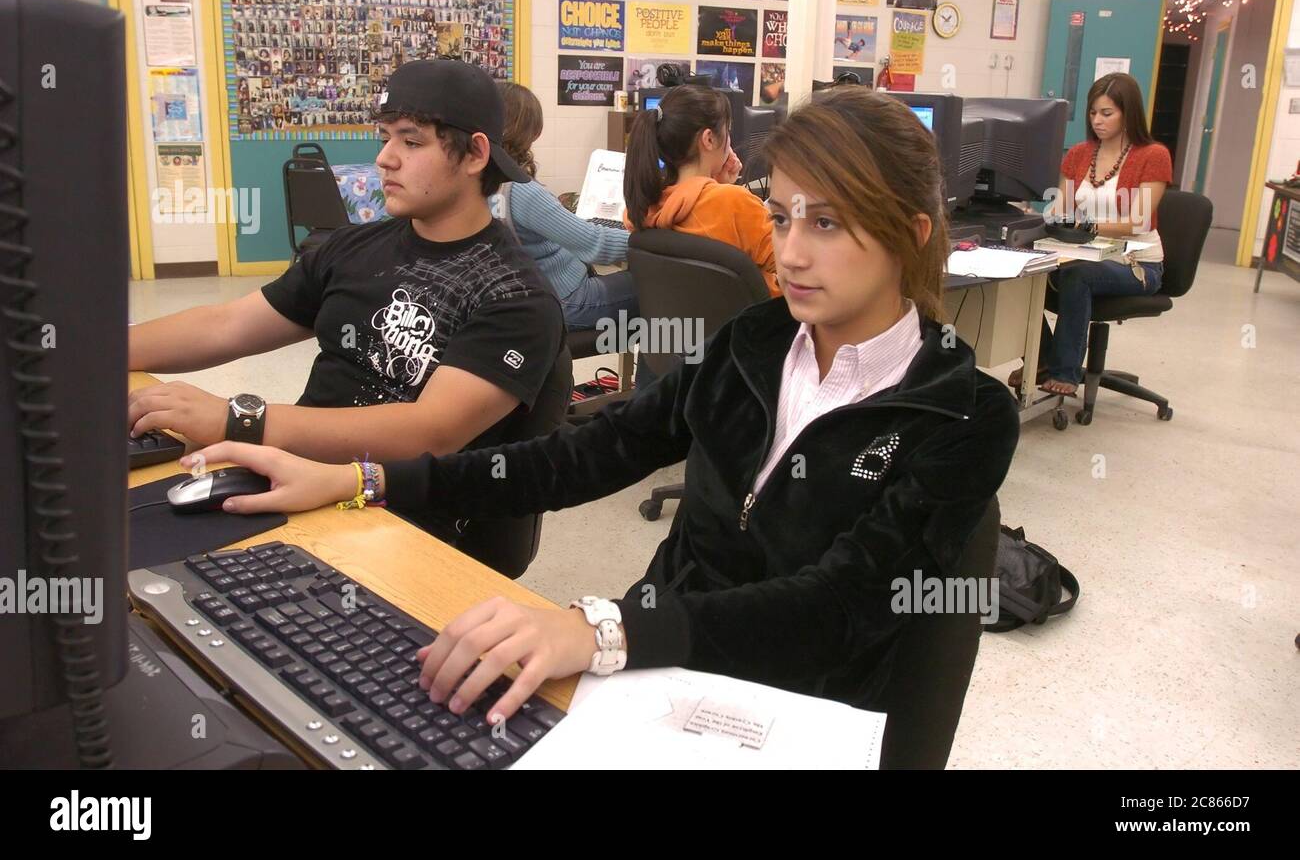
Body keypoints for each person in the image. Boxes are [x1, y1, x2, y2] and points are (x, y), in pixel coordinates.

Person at [181, 88, 1020, 730]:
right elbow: (582, 454)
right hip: (659, 673)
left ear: (911, 234)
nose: (790, 252)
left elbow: (834, 606)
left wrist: (603, 630)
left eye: (827, 224)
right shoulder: (754, 341)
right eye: (781, 215)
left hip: (787, 717)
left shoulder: (963, 411)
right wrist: (363, 479)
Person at [128, 59, 565, 470]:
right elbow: (226, 324)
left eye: (411, 142)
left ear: (474, 155)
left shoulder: (515, 296)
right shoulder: (352, 248)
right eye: (385, 138)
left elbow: (429, 432)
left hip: (396, 518)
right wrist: (97, 355)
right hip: (289, 471)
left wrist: (240, 421)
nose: (385, 158)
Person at [1022, 72, 1172, 396]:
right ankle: (1044, 358)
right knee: (1021, 274)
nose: (1097, 121)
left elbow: (1139, 221)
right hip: (1084, 253)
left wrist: (1084, 226)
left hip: (1137, 263)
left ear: (1127, 113)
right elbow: (1062, 209)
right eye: (1093, 113)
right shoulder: (1079, 153)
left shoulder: (1152, 155)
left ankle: (1065, 372)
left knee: (1079, 276)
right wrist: (1036, 216)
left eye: (1107, 113)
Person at [494, 82, 637, 331]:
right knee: (664, 287)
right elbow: (595, 244)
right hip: (566, 300)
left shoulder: (481, 182)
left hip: (531, 296)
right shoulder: (520, 191)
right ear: (531, 131)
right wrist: (654, 241)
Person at [623, 84, 779, 296]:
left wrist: (720, 186)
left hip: (683, 327)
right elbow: (787, 261)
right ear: (709, 139)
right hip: (753, 325)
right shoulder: (733, 203)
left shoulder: (644, 207)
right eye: (728, 131)